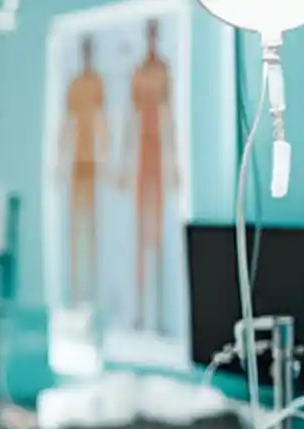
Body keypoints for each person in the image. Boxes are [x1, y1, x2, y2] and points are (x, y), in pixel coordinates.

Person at [122, 19, 178, 334]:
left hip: (157, 155)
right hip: (141, 158)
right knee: (140, 237)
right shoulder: (139, 72)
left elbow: (169, 117)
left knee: (156, 235)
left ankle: (159, 314)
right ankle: (140, 312)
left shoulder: (163, 71)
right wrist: (123, 162)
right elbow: (130, 119)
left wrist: (174, 162)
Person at [59, 35, 107, 308]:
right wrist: (59, 161)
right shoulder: (75, 86)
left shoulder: (97, 83)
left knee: (92, 227)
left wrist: (106, 157)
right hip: (76, 163)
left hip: (91, 163)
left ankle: (92, 292)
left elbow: (101, 122)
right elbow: (66, 124)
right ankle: (76, 294)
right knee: (76, 229)